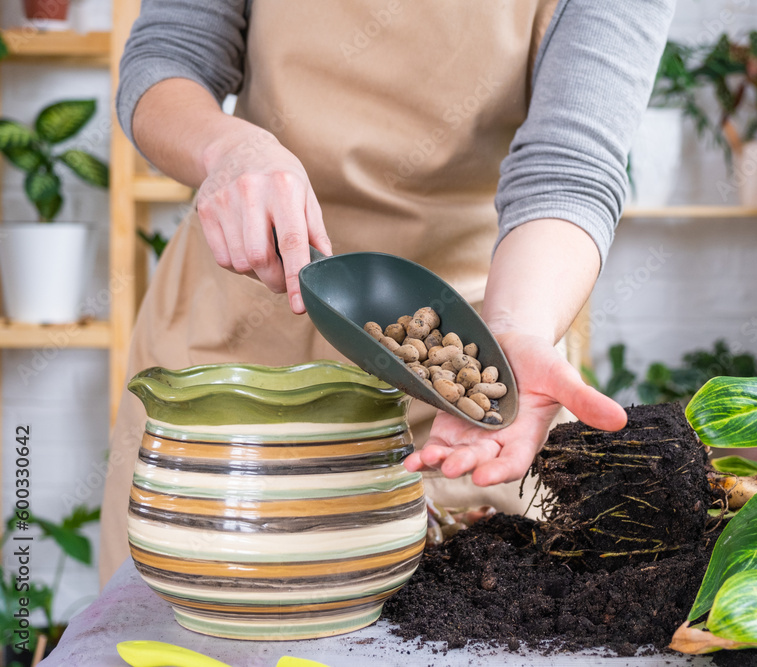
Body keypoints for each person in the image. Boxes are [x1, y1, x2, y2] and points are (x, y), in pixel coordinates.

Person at [99, 0, 676, 585]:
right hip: (234, 339)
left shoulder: (471, 366)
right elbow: (167, 59)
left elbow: (569, 164)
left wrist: (518, 328)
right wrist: (228, 150)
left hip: (460, 365)